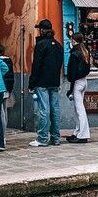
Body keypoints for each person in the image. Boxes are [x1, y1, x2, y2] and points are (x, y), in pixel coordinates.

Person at [28, 19, 63, 147]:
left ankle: (42, 138)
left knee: (44, 110)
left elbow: (36, 65)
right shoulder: (58, 45)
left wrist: (31, 83)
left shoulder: (41, 45)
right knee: (55, 110)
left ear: (42, 30)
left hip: (42, 81)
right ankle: (55, 137)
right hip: (54, 81)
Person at [65, 33, 91, 144]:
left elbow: (72, 72)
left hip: (77, 82)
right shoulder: (85, 52)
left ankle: (83, 134)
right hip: (84, 81)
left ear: (73, 41)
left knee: (79, 110)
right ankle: (77, 132)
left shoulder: (74, 54)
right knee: (78, 109)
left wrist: (71, 88)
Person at [0, 45, 15, 129]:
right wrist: (10, 89)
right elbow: (11, 76)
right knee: (4, 110)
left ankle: (1, 131)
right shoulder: (9, 60)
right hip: (7, 88)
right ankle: (4, 130)